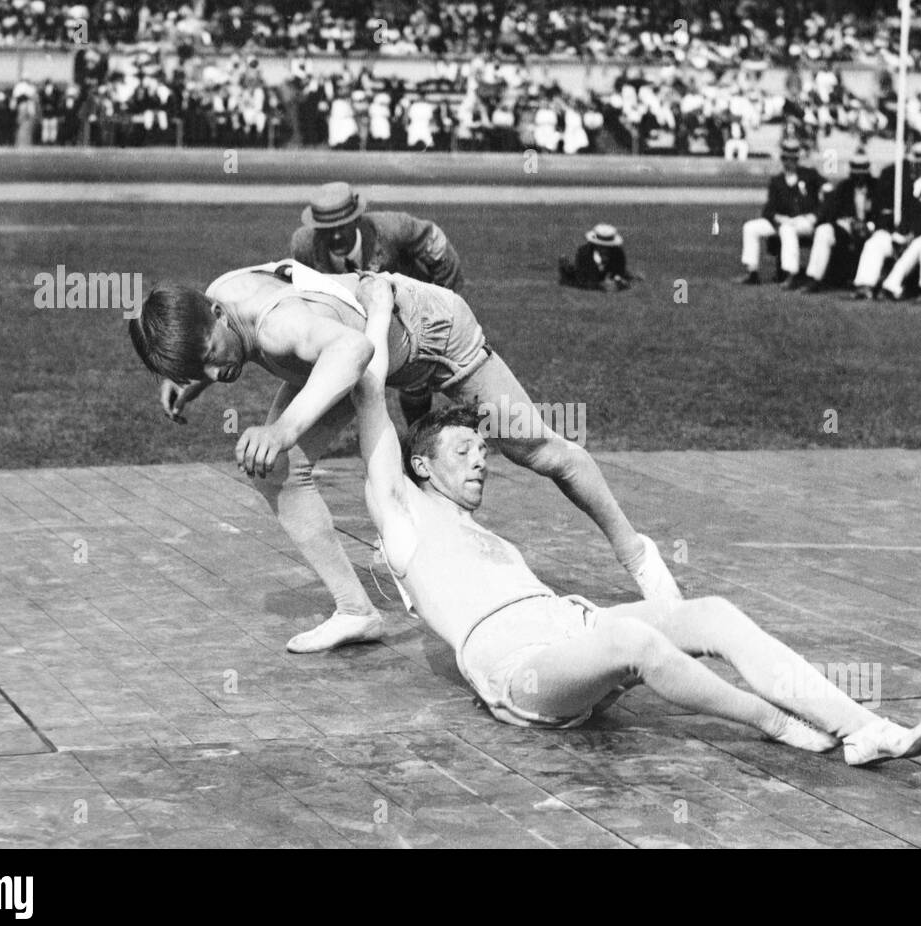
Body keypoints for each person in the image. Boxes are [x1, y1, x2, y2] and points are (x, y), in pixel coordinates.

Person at [350, 290, 921, 765]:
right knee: (635, 643)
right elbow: (369, 389)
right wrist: (378, 312)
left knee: (711, 612)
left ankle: (866, 729)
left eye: (482, 449)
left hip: (572, 626)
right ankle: (773, 721)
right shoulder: (402, 513)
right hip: (519, 670)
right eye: (462, 450)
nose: (480, 458)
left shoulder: (488, 537)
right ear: (421, 465)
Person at [129, 260, 680, 654]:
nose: (213, 374)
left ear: (221, 316)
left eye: (208, 359)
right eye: (192, 372)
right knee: (280, 472)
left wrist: (283, 427)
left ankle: (638, 555)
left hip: (429, 331)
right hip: (367, 343)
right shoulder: (218, 300)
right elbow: (346, 354)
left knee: (538, 451)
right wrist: (193, 381)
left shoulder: (278, 327)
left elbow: (352, 350)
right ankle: (355, 611)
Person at [290, 181, 464, 426]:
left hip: (407, 312)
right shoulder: (304, 246)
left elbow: (437, 245)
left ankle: (419, 434)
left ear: (356, 220)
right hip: (350, 315)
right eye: (327, 229)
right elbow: (305, 296)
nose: (337, 235)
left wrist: (444, 304)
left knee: (417, 380)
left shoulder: (393, 228)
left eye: (342, 226)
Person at [852, 141, 921, 302]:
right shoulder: (907, 182)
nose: (920, 166)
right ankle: (865, 285)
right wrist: (898, 233)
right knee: (876, 243)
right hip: (903, 232)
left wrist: (912, 233)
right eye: (918, 163)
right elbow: (903, 213)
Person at [740, 137, 823, 289]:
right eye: (785, 158)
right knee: (750, 227)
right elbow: (768, 208)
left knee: (787, 230)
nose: (788, 162)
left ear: (797, 159)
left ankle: (791, 275)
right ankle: (752, 272)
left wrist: (815, 216)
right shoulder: (777, 181)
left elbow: (828, 196)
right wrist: (777, 217)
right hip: (783, 220)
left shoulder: (810, 175)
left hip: (805, 220)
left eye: (791, 158)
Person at [800, 152, 879, 292]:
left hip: (872, 230)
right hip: (846, 230)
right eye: (856, 172)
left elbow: (882, 213)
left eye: (862, 172)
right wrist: (847, 222)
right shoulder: (844, 187)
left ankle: (864, 283)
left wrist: (868, 225)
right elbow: (831, 212)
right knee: (823, 230)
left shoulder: (877, 187)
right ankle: (814, 278)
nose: (859, 176)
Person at [557, 223, 637, 291]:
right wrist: (600, 286)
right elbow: (582, 279)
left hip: (604, 277)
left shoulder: (618, 253)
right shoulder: (583, 253)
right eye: (601, 246)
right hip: (587, 277)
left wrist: (618, 281)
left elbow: (619, 271)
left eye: (608, 246)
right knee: (570, 280)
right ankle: (566, 267)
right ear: (595, 244)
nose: (604, 249)